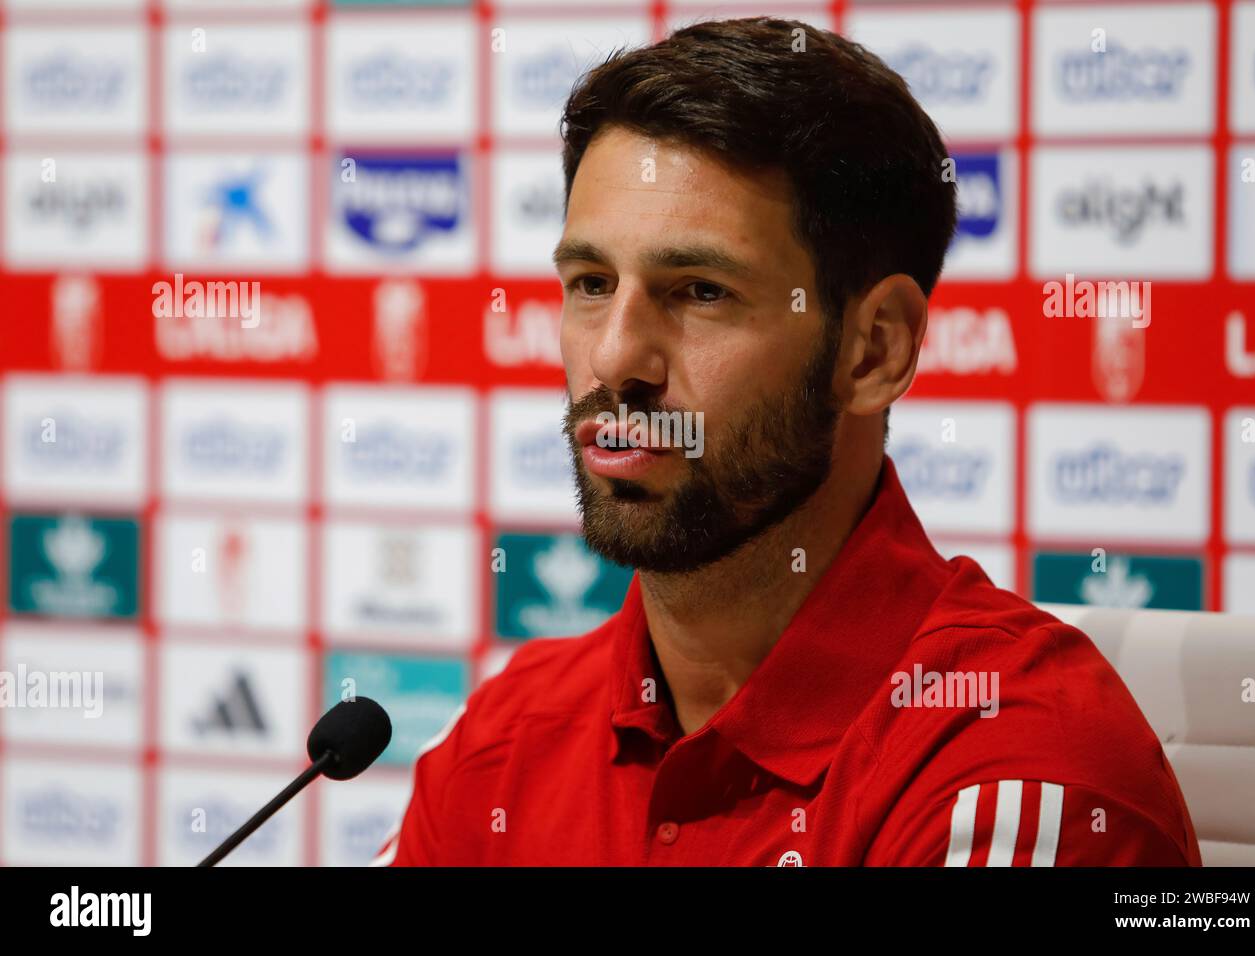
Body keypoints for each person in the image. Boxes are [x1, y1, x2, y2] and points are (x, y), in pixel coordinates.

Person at [376, 17, 1200, 866]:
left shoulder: (1017, 774)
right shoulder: (503, 744)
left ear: (874, 347)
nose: (615, 357)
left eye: (699, 291)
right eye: (591, 284)